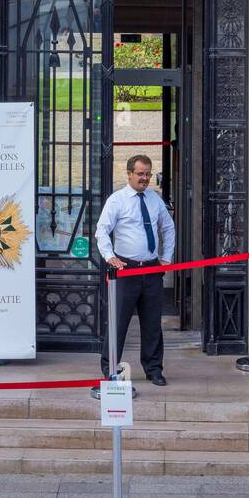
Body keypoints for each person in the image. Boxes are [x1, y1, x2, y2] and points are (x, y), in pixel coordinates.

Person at [92, 154, 176, 395]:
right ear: (129, 174)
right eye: (141, 174)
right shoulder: (117, 200)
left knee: (152, 323)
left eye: (148, 174)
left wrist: (166, 257)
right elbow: (102, 231)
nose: (145, 178)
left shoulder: (154, 199)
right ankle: (110, 369)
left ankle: (154, 368)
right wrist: (110, 257)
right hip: (125, 269)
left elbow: (168, 228)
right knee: (118, 321)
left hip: (151, 269)